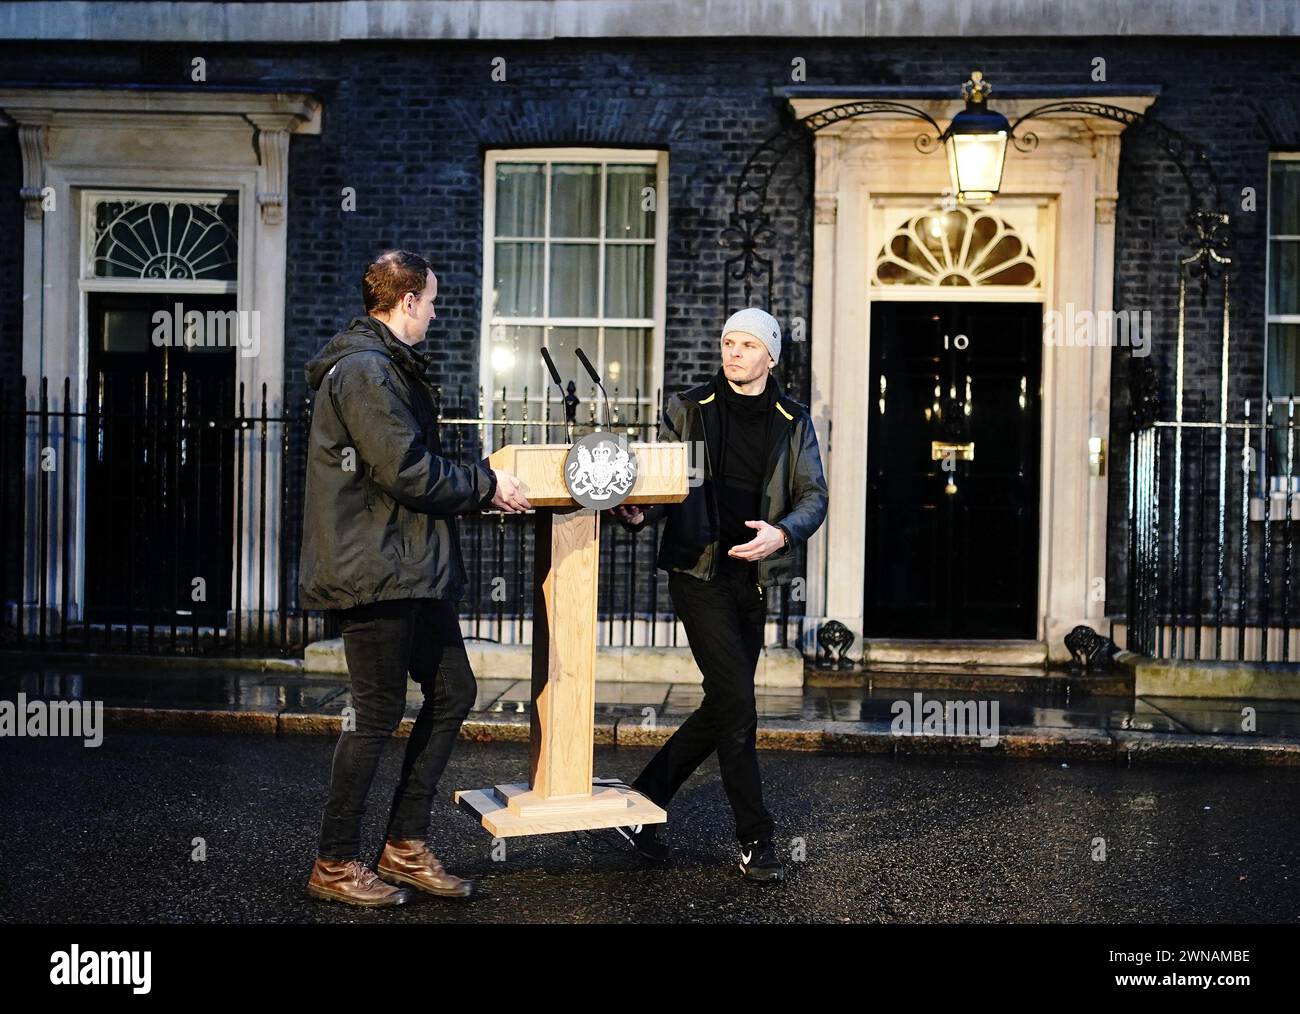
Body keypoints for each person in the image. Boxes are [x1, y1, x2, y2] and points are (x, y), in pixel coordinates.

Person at [298, 250, 530, 907]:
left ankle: (403, 845)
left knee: (453, 689)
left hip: (405, 565)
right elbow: (404, 470)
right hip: (375, 566)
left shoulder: (382, 367)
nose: (434, 312)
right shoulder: (367, 371)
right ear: (406, 302)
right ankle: (335, 863)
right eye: (430, 301)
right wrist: (487, 485)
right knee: (375, 713)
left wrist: (480, 482)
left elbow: (409, 464)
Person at [609, 307, 828, 883]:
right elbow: (658, 482)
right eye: (727, 342)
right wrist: (638, 510)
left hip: (751, 578)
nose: (733, 352)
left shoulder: (792, 420)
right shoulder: (688, 409)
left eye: (747, 344)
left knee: (725, 704)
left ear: (771, 356)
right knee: (738, 705)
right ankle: (756, 839)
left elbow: (814, 496)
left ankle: (643, 800)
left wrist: (781, 533)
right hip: (697, 571)